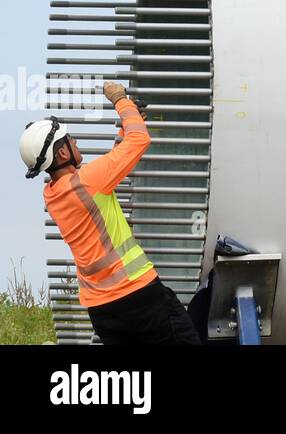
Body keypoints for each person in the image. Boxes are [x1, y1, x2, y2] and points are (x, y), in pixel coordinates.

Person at [19, 80, 200, 344]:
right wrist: (121, 101)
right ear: (61, 152)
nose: (76, 141)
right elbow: (140, 140)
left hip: (102, 310)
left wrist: (129, 122)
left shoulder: (54, 194)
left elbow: (112, 166)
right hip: (138, 296)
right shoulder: (89, 181)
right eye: (70, 139)